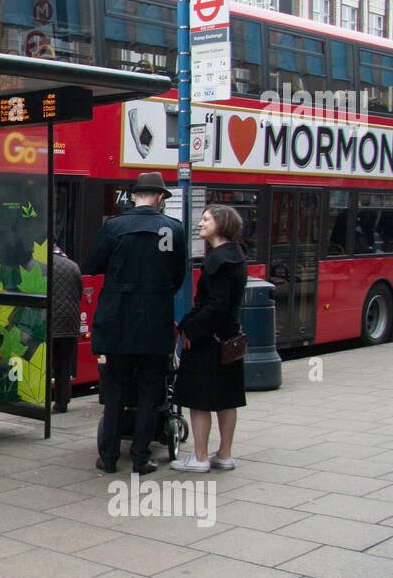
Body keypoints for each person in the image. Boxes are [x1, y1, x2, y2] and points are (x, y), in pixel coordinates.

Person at [84, 172, 186, 474]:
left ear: (133, 196)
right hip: (155, 323)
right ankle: (141, 457)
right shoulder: (173, 229)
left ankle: (110, 457)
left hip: (117, 321)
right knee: (150, 391)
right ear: (160, 198)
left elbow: (91, 264)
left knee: (115, 390)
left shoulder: (114, 227)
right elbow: (177, 276)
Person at [171, 205, 248, 473]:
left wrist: (190, 328)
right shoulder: (236, 255)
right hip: (229, 340)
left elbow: (215, 305)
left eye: (207, 219)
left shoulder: (218, 261)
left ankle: (201, 456)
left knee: (199, 398)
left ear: (221, 224)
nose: (201, 223)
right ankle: (224, 454)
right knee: (227, 398)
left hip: (208, 342)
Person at [50, 244, 83, 413]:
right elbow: (79, 292)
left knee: (44, 363)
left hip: (47, 324)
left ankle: (40, 401)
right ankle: (62, 402)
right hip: (69, 323)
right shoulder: (73, 266)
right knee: (64, 364)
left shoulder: (36, 265)